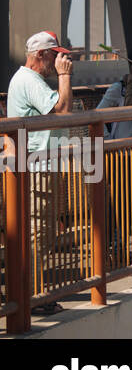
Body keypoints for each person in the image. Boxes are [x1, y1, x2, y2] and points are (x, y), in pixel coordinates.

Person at [6, 31, 74, 315]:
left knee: (39, 231)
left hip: (36, 163)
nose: (60, 60)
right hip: (37, 165)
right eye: (56, 55)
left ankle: (31, 293)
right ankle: (33, 296)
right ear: (41, 55)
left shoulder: (25, 79)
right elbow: (62, 109)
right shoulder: (30, 80)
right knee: (38, 233)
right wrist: (64, 77)